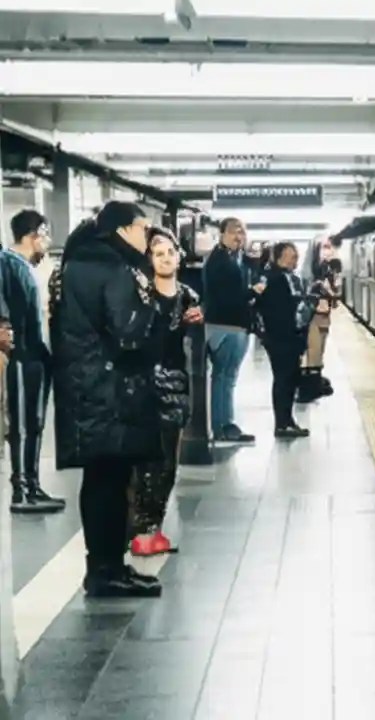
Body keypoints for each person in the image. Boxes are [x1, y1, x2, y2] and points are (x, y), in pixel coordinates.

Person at [51, 202, 196, 598]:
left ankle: (106, 567)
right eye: (142, 228)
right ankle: (106, 571)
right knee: (109, 483)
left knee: (102, 480)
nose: (145, 237)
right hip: (110, 391)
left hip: (88, 388)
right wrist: (154, 306)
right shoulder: (113, 268)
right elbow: (129, 332)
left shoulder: (78, 263)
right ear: (123, 229)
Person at [129, 228, 202, 557]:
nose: (166, 258)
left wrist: (197, 324)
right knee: (143, 459)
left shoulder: (188, 296)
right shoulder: (138, 294)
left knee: (167, 463)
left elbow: (193, 345)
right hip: (141, 384)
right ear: (149, 259)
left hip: (175, 384)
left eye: (170, 252)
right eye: (158, 253)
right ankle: (141, 528)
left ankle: (152, 527)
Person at [2, 210, 64, 513]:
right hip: (23, 355)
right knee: (24, 424)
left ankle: (32, 484)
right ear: (34, 234)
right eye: (46, 234)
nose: (48, 241)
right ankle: (22, 489)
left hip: (36, 354)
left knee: (34, 422)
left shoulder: (26, 268)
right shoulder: (8, 265)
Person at [201, 217, 262, 445]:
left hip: (230, 325)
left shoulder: (229, 259)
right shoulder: (220, 261)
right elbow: (230, 297)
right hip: (226, 326)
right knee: (224, 377)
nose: (239, 237)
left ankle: (226, 424)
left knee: (227, 377)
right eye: (235, 232)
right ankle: (222, 426)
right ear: (222, 234)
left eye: (242, 232)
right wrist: (253, 292)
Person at [257, 243, 317, 438]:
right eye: (291, 257)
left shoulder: (287, 278)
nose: (295, 260)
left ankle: (287, 421)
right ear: (279, 257)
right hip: (281, 338)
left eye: (296, 256)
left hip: (289, 338)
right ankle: (282, 424)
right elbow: (275, 310)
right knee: (284, 380)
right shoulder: (274, 279)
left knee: (289, 379)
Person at [297, 234, 340, 403]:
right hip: (312, 317)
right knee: (312, 352)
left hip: (324, 315)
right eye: (324, 247)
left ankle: (314, 384)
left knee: (319, 351)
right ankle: (307, 389)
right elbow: (308, 294)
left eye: (329, 247)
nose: (328, 251)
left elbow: (335, 296)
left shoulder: (326, 269)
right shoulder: (310, 273)